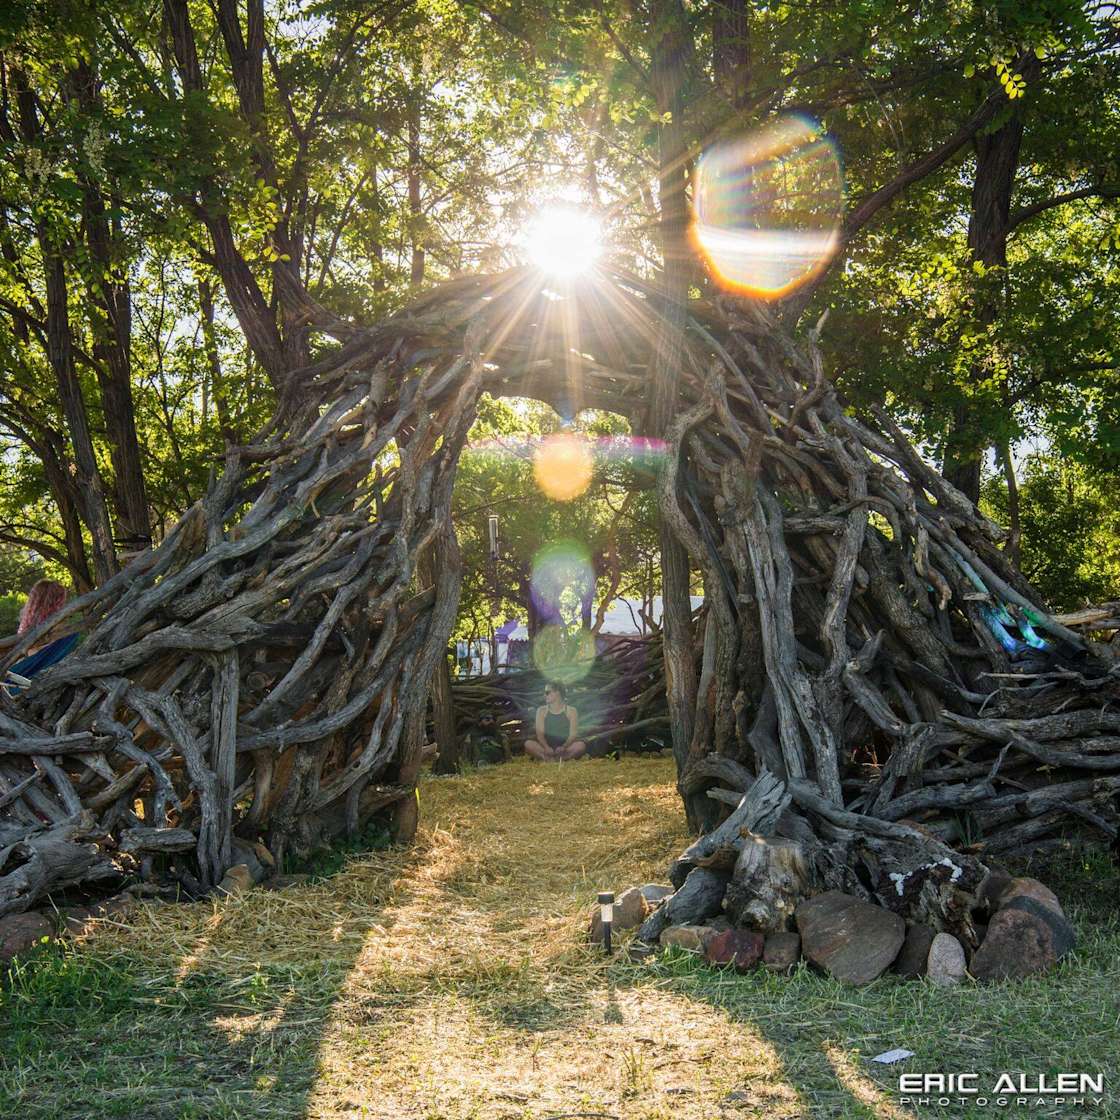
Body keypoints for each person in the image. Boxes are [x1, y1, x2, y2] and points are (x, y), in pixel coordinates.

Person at [524, 680, 586, 761]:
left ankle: (551, 759)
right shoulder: (541, 710)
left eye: (547, 692)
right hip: (546, 746)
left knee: (581, 746)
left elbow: (573, 735)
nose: (544, 695)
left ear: (557, 693)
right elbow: (540, 735)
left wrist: (564, 747)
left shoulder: (571, 711)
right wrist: (546, 747)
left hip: (565, 747)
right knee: (528, 744)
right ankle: (558, 759)